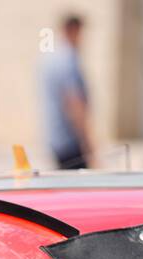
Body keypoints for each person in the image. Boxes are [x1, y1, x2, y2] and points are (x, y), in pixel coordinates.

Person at [40, 14, 92, 170]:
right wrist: (88, 144)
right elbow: (74, 104)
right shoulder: (68, 59)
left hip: (56, 140)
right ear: (73, 30)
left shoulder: (49, 58)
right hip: (70, 140)